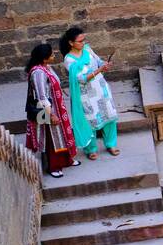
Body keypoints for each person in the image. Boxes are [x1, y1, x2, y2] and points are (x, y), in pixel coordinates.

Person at [60, 26, 119, 160]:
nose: (83, 43)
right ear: (71, 43)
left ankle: (111, 144)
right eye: (80, 41)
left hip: (101, 89)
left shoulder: (87, 49)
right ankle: (90, 148)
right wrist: (99, 70)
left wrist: (105, 64)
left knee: (109, 115)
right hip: (86, 95)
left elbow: (98, 61)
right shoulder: (69, 60)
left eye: (84, 40)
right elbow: (81, 79)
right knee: (90, 120)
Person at [24, 42, 79, 178]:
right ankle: (54, 166)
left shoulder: (46, 67)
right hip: (46, 110)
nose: (54, 55)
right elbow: (41, 96)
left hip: (57, 107)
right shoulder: (38, 73)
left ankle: (67, 160)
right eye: (52, 54)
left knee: (62, 134)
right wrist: (51, 115)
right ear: (44, 58)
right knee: (51, 138)